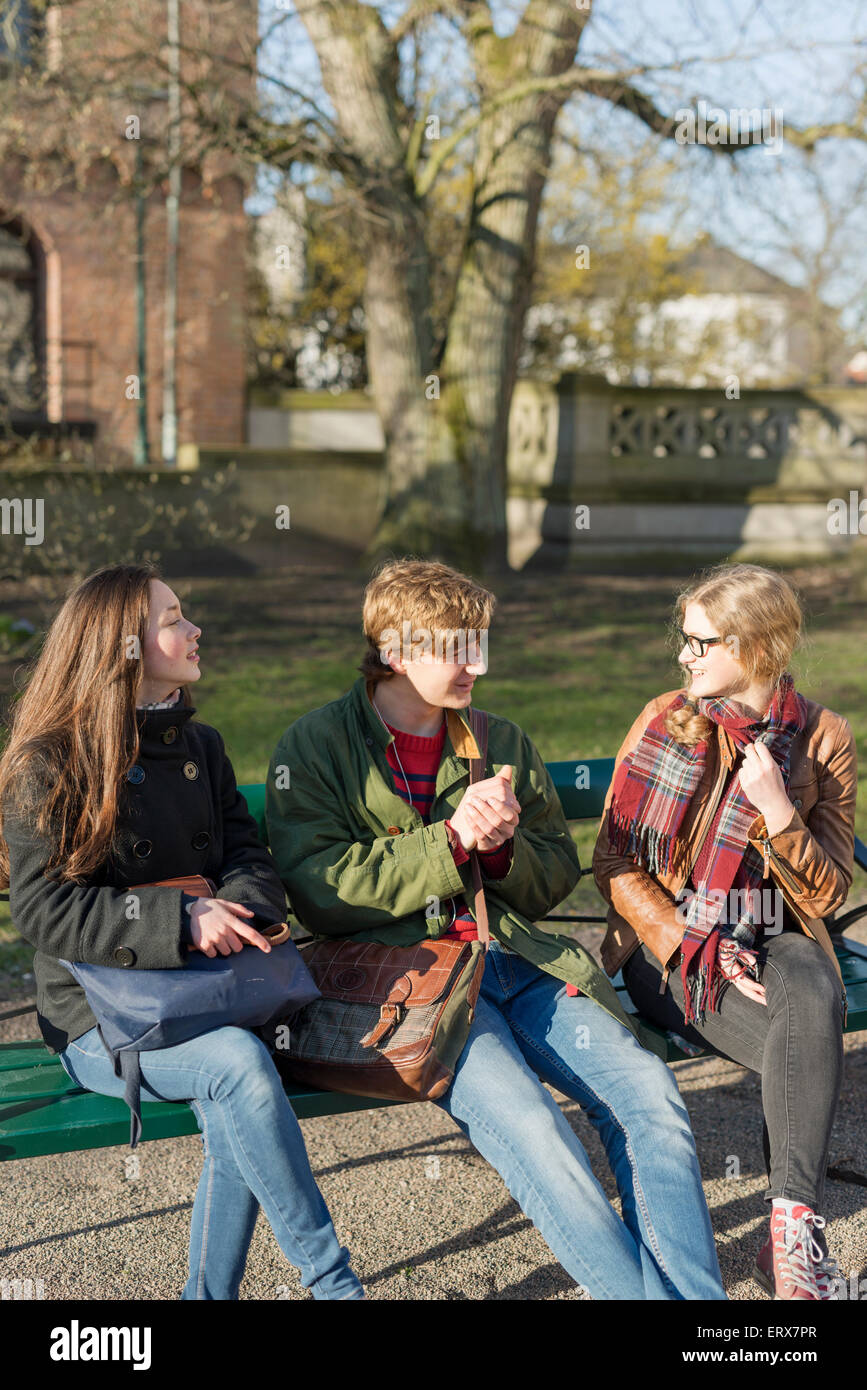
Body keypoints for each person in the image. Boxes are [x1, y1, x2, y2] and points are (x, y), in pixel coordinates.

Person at [265, 557, 726, 1301]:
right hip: (414, 987)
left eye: (479, 642)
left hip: (514, 961)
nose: (476, 664)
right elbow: (322, 892)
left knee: (647, 1094)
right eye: (455, 648)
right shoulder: (314, 747)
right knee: (537, 1134)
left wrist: (504, 848)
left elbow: (550, 880)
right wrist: (449, 844)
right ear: (392, 650)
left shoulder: (498, 739)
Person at [0, 564, 364, 1301]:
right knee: (238, 1067)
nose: (194, 629)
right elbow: (41, 911)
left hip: (208, 992)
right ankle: (334, 1286)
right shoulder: (50, 764)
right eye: (173, 618)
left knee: (242, 1090)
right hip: (100, 1021)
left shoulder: (199, 747)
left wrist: (239, 908)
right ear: (121, 646)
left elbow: (247, 856)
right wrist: (181, 918)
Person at [593, 563, 856, 1302]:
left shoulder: (822, 736)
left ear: (756, 646)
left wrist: (776, 811)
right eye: (684, 639)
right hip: (667, 945)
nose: (684, 655)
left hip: (778, 931)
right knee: (804, 1034)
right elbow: (611, 857)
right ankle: (798, 1253)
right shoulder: (664, 717)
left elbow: (829, 889)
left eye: (701, 642)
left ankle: (787, 1229)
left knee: (807, 985)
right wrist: (692, 944)